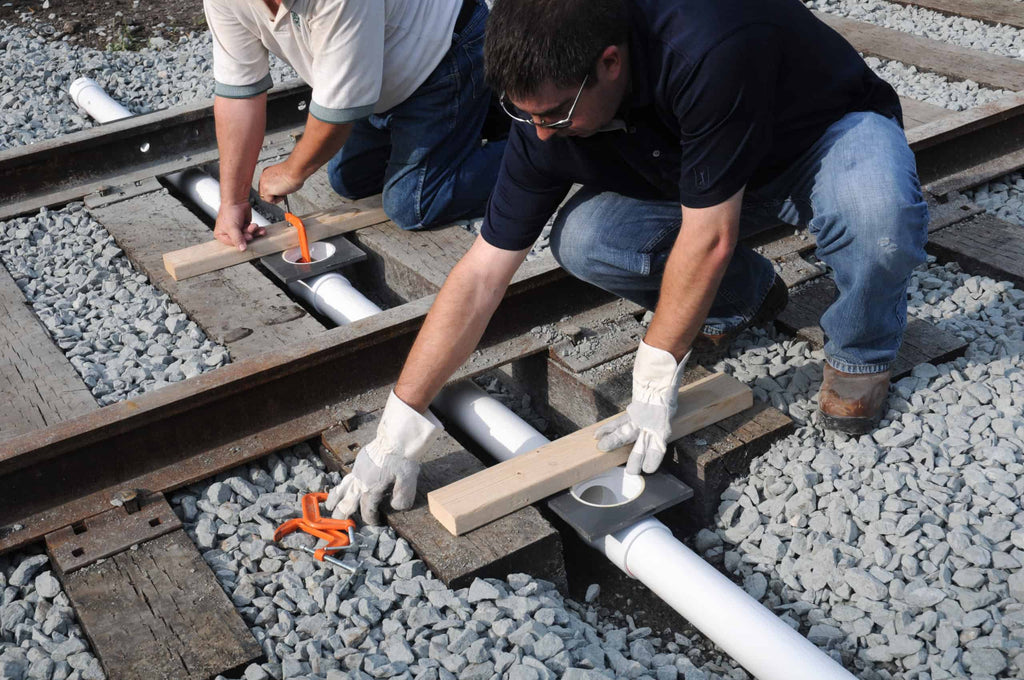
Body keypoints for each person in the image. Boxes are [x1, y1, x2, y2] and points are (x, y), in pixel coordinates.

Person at [326, 0, 930, 523]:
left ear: (610, 63)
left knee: (877, 215)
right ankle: (744, 297)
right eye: (523, 114)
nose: (540, 133)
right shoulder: (548, 108)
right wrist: (396, 432)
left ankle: (861, 354)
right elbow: (481, 274)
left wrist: (654, 380)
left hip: (815, 144)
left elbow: (710, 236)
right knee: (587, 238)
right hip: (700, 174)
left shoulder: (705, 44)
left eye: (555, 114)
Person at [203, 0, 505, 251]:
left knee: (415, 204)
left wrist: (291, 172)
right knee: (350, 179)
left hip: (443, 50)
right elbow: (239, 94)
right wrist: (233, 201)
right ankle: (489, 108)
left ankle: (530, 151)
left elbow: (338, 110)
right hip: (380, 75)